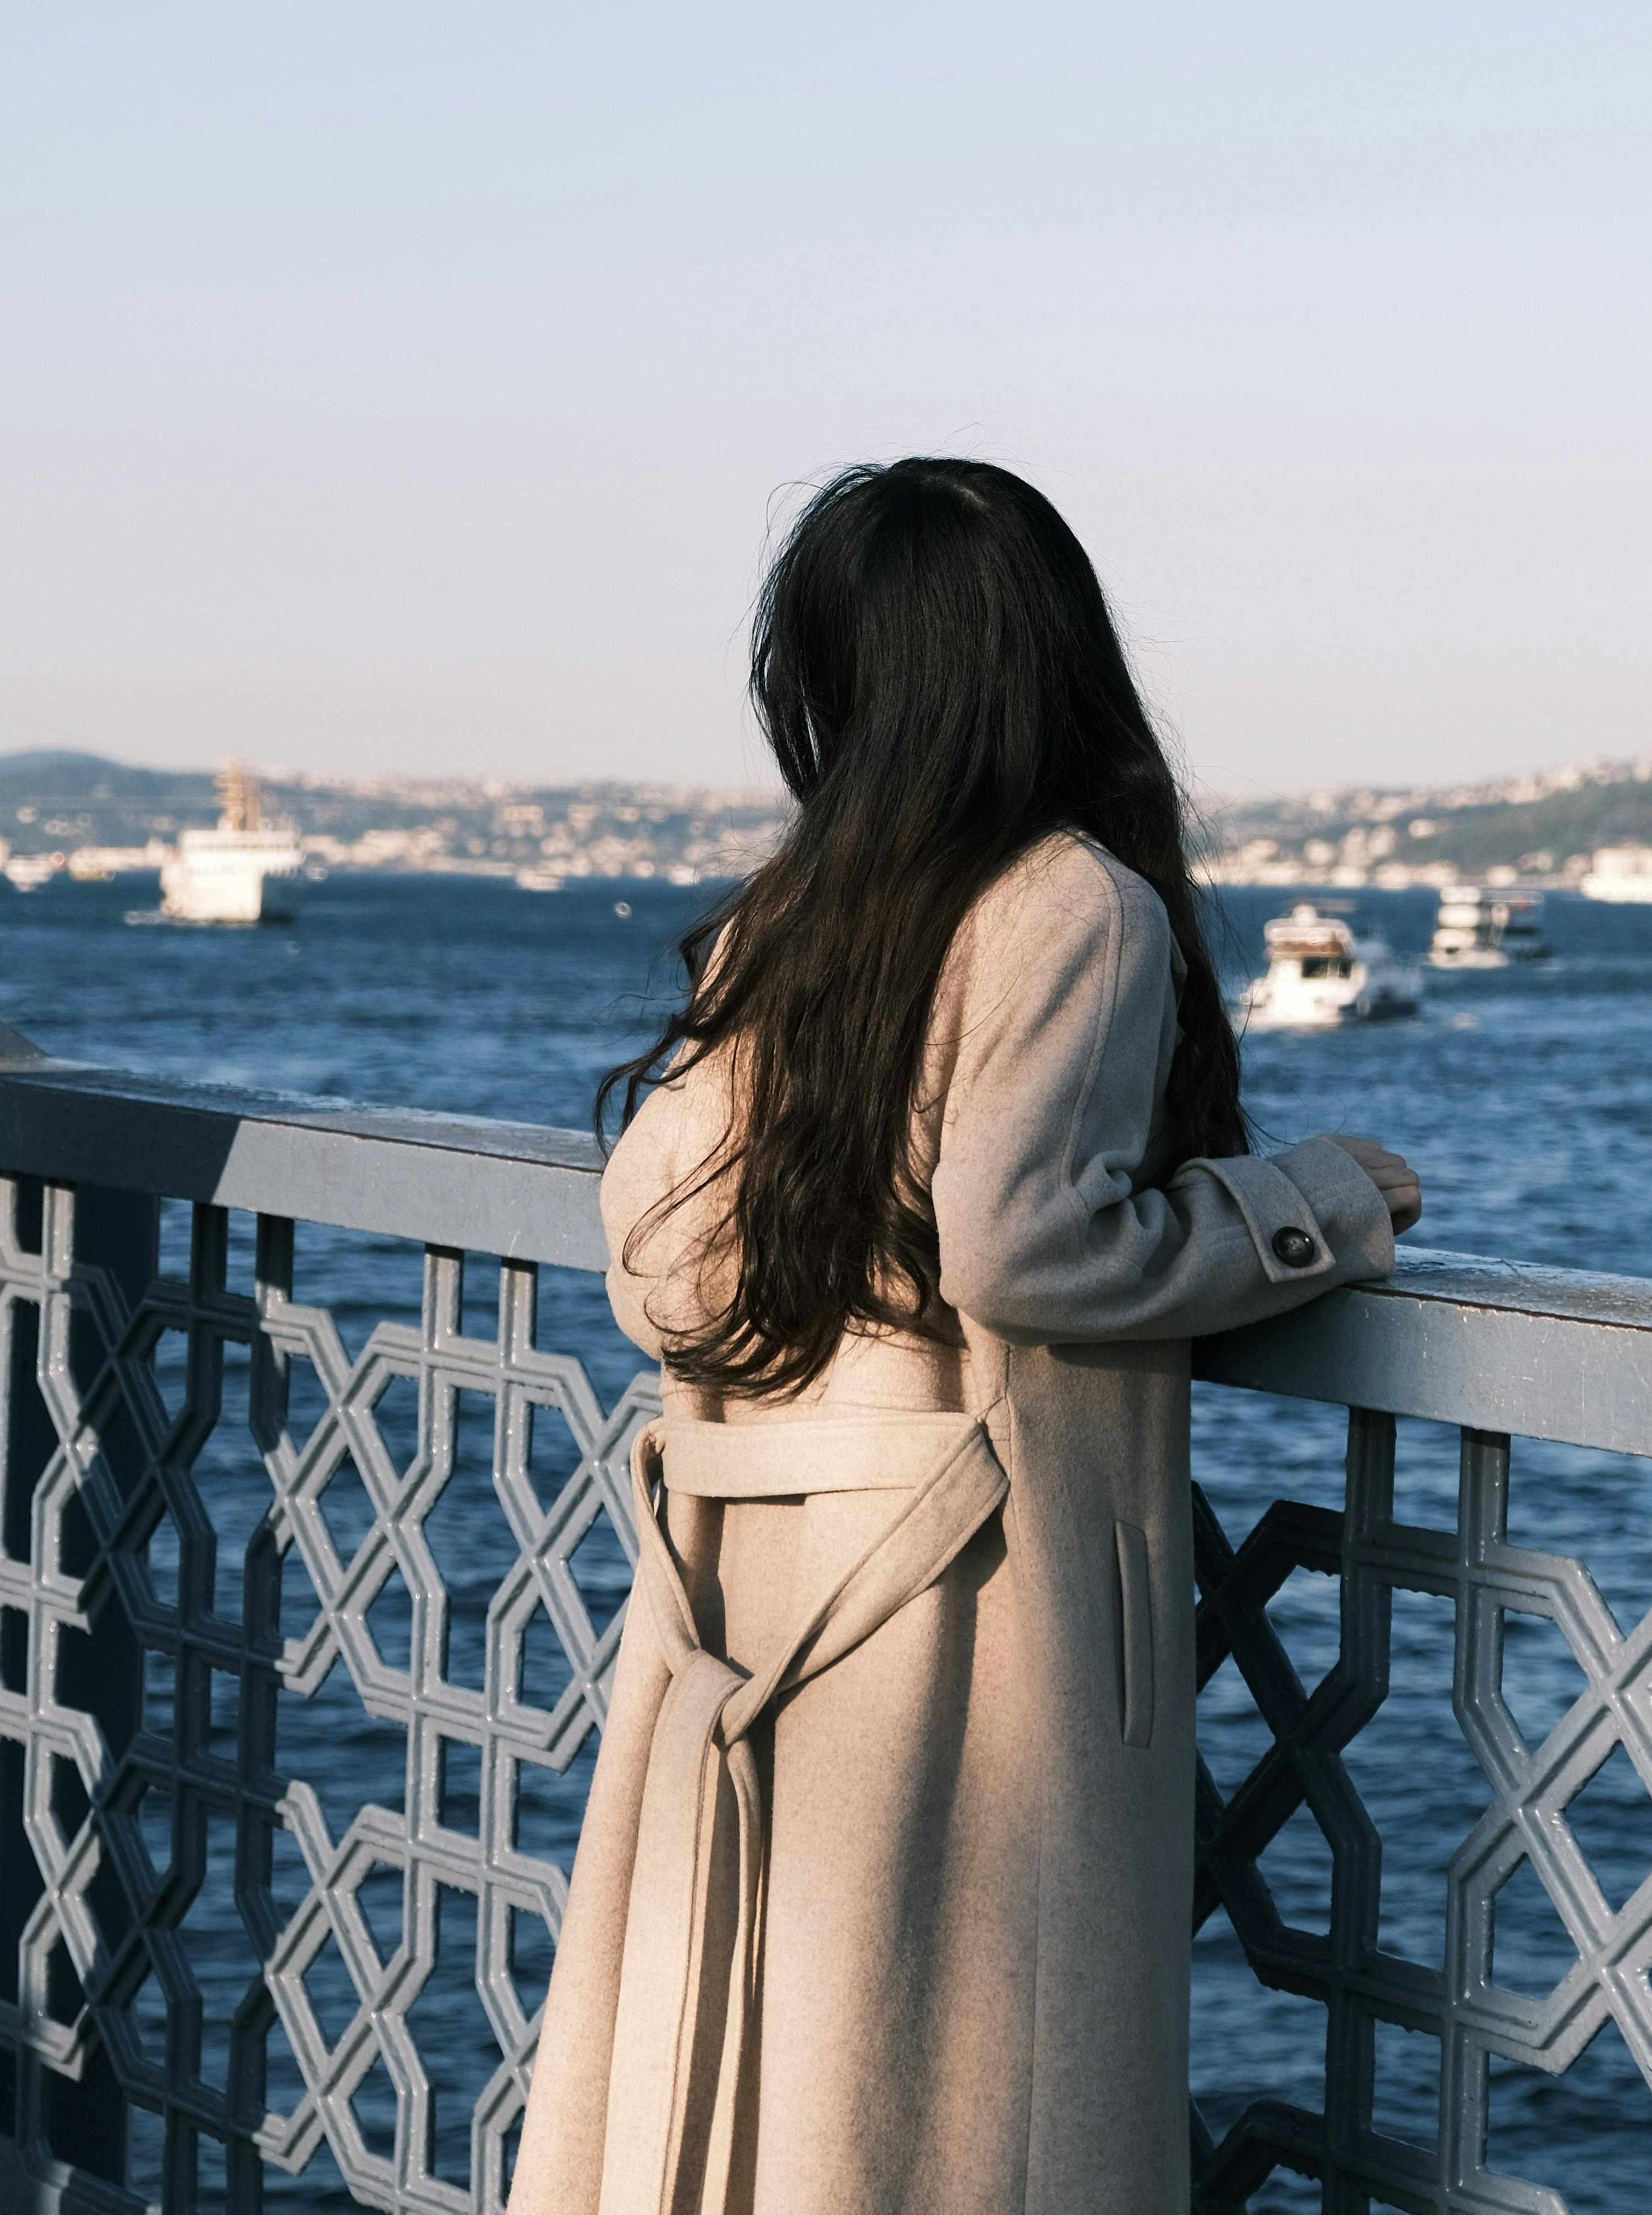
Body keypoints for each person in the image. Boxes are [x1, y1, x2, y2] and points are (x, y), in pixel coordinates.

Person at [508, 458, 1421, 2215]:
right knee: (978, 2115)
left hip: (757, 1580)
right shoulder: (1074, 904)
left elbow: (658, 1262)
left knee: (783, 2089)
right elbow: (1026, 1247)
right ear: (1050, 653)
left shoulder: (791, 920)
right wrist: (1301, 1206)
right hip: (965, 1613)